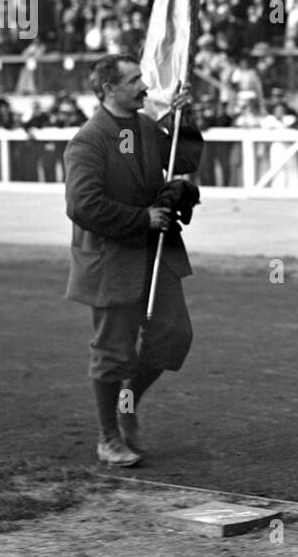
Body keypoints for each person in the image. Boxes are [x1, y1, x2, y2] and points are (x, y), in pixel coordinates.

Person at [64, 53, 204, 467]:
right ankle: (109, 437)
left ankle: (127, 402)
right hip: (112, 260)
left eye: (141, 78)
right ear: (108, 90)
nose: (144, 87)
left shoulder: (144, 125)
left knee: (173, 336)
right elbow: (82, 205)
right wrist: (141, 218)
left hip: (156, 254)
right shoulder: (87, 141)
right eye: (133, 81)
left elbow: (183, 159)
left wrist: (185, 117)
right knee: (114, 352)